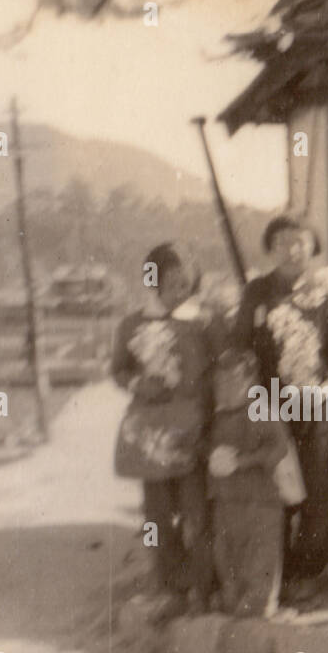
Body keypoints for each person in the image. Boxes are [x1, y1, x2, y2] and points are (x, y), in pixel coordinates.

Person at [233, 215, 328, 601]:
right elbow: (241, 347)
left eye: (300, 241)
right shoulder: (257, 291)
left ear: (313, 247)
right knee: (275, 486)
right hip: (270, 402)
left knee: (318, 487)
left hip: (323, 402)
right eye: (282, 242)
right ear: (271, 248)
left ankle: (309, 573)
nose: (292, 249)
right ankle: (273, 574)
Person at [111, 242, 213, 621]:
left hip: (193, 430)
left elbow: (225, 369)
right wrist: (139, 383)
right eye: (169, 281)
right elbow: (119, 370)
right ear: (153, 281)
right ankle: (169, 585)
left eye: (185, 282)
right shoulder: (133, 324)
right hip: (151, 434)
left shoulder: (205, 321)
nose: (177, 289)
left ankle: (202, 587)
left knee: (196, 512)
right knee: (155, 516)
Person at [207, 349, 294, 618]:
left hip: (259, 503)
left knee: (258, 575)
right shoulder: (220, 414)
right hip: (227, 503)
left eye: (234, 379)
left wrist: (242, 461)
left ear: (250, 380)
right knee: (228, 564)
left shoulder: (261, 410)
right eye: (221, 381)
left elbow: (279, 447)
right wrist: (211, 456)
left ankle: (259, 605)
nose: (226, 387)